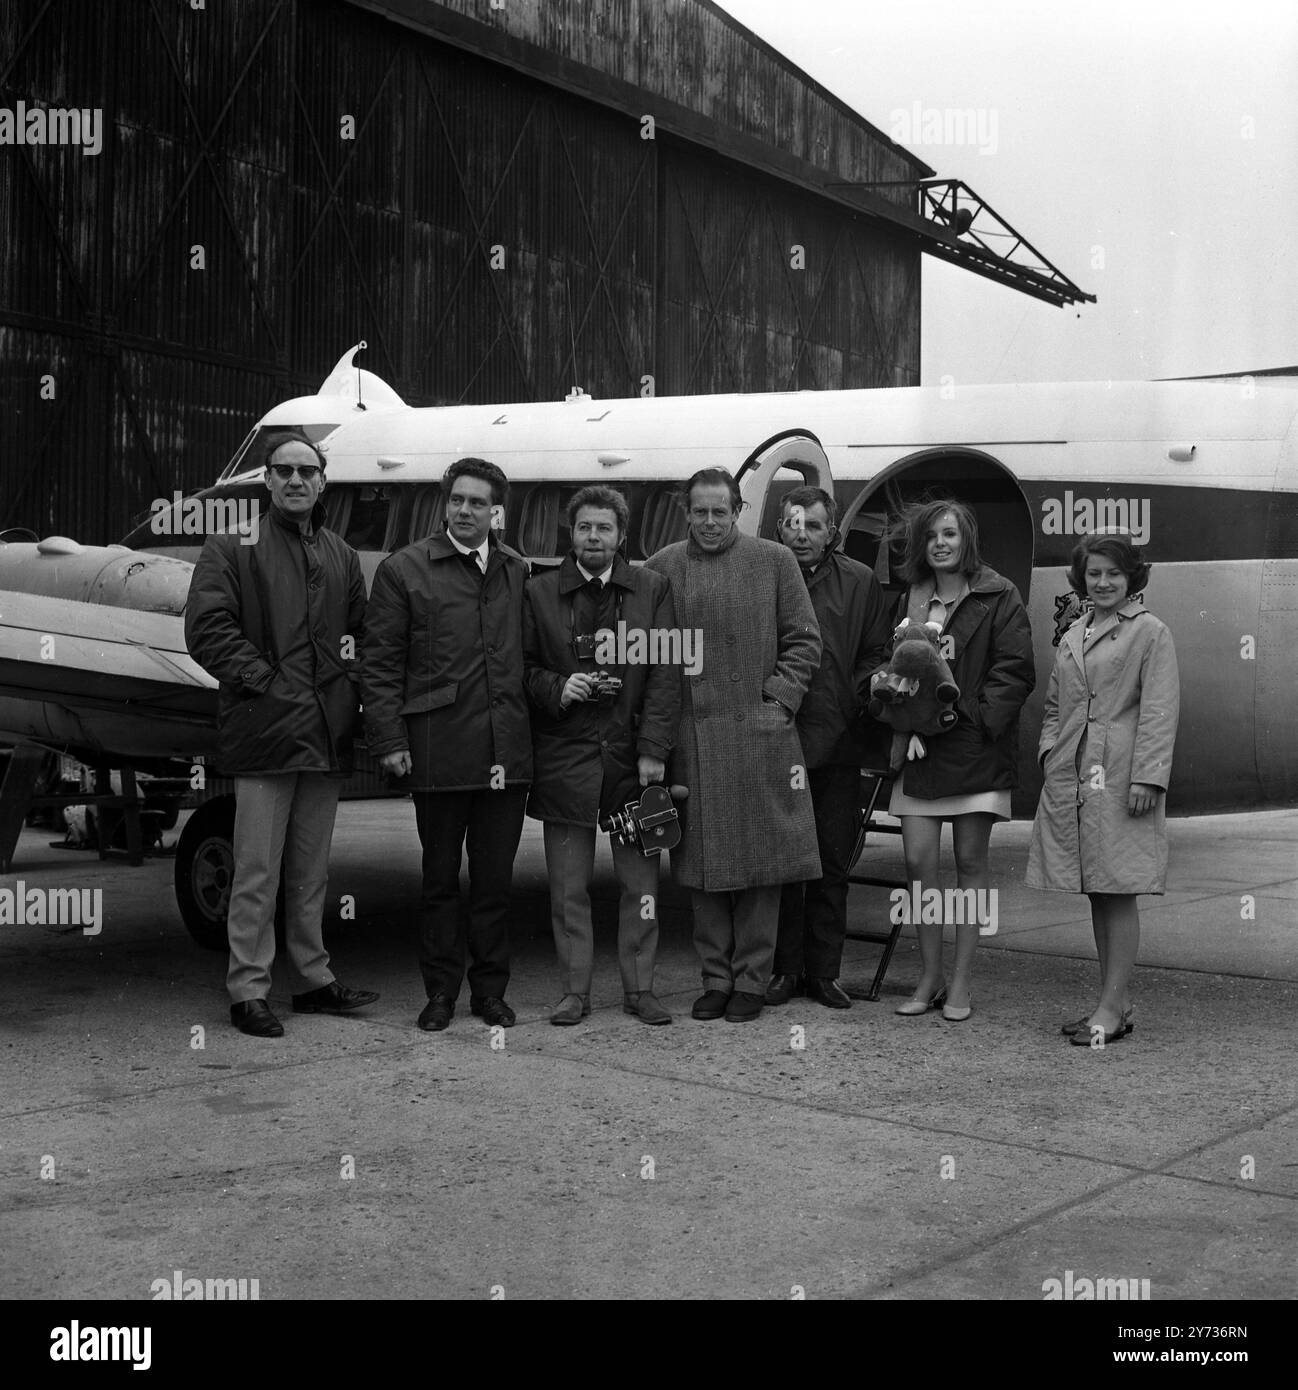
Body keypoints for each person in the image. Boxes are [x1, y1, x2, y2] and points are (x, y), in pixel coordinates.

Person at [185, 430, 378, 1038]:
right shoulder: (231, 547)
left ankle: (315, 980)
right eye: (284, 470)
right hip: (265, 732)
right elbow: (207, 628)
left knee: (310, 870)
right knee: (256, 869)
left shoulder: (343, 556)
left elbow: (358, 638)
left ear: (323, 482)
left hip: (325, 738)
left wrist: (351, 701)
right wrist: (267, 682)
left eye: (307, 471)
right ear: (267, 481)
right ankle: (248, 989)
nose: (296, 480)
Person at [645, 468, 821, 1023]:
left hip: (759, 736)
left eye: (721, 511)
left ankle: (751, 980)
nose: (711, 522)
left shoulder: (775, 561)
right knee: (699, 866)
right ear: (686, 512)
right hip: (692, 739)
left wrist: (778, 702)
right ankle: (714, 979)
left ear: (739, 509)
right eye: (701, 511)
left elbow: (804, 639)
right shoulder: (662, 567)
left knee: (761, 866)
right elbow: (650, 652)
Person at [363, 457, 532, 1033]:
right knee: (439, 884)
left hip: (504, 757)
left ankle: (490, 993)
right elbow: (379, 662)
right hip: (436, 751)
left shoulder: (515, 569)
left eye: (477, 502)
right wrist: (389, 738)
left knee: (494, 885)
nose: (465, 510)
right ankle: (439, 994)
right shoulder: (403, 570)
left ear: (495, 511)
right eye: (457, 500)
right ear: (445, 503)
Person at [523, 486, 681, 1025]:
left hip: (635, 762)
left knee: (641, 886)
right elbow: (518, 668)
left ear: (622, 537)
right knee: (569, 887)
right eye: (585, 527)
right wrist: (556, 687)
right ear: (572, 533)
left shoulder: (653, 589)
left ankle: (641, 990)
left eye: (605, 528)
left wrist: (654, 749)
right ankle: (574, 991)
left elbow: (665, 672)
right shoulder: (539, 592)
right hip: (564, 759)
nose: (594, 537)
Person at [1027, 533, 1179, 1047]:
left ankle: (1112, 1007)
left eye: (1114, 572)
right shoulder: (1075, 631)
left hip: (1121, 777)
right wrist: (1050, 753)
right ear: (1081, 578)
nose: (1104, 582)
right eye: (1094, 573)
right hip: (1075, 776)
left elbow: (1160, 708)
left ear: (1131, 576)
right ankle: (1114, 1000)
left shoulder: (1151, 633)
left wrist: (1148, 776)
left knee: (1118, 890)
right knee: (1097, 889)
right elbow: (1054, 706)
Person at [886, 498, 1034, 1022]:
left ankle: (962, 982)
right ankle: (928, 978)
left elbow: (1014, 673)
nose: (941, 544)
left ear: (966, 540)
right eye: (931, 537)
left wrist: (962, 721)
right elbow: (892, 673)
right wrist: (907, 721)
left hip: (975, 750)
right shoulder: (911, 597)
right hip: (921, 752)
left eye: (949, 534)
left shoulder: (1000, 595)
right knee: (919, 867)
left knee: (971, 866)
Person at [768, 486, 891, 1009]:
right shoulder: (764, 574)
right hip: (775, 739)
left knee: (830, 862)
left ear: (832, 530)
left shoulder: (860, 581)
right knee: (780, 863)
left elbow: (874, 653)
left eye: (813, 525)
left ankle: (823, 973)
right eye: (793, 524)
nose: (802, 534)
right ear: (779, 528)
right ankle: (781, 970)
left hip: (838, 742)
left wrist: (862, 698)